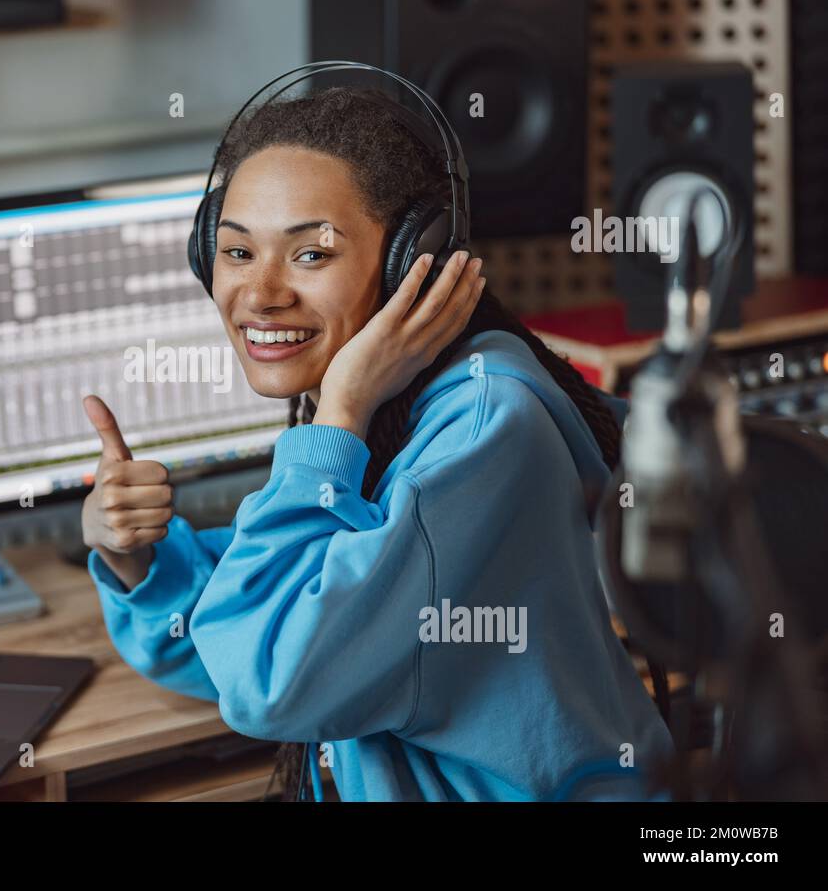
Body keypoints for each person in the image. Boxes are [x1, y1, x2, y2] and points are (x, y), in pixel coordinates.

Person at [79, 85, 673, 800]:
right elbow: (237, 637)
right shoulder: (391, 411)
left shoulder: (484, 429)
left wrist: (341, 410)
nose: (260, 293)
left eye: (310, 255)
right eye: (237, 250)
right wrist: (136, 559)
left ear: (409, 260)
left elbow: (272, 680)